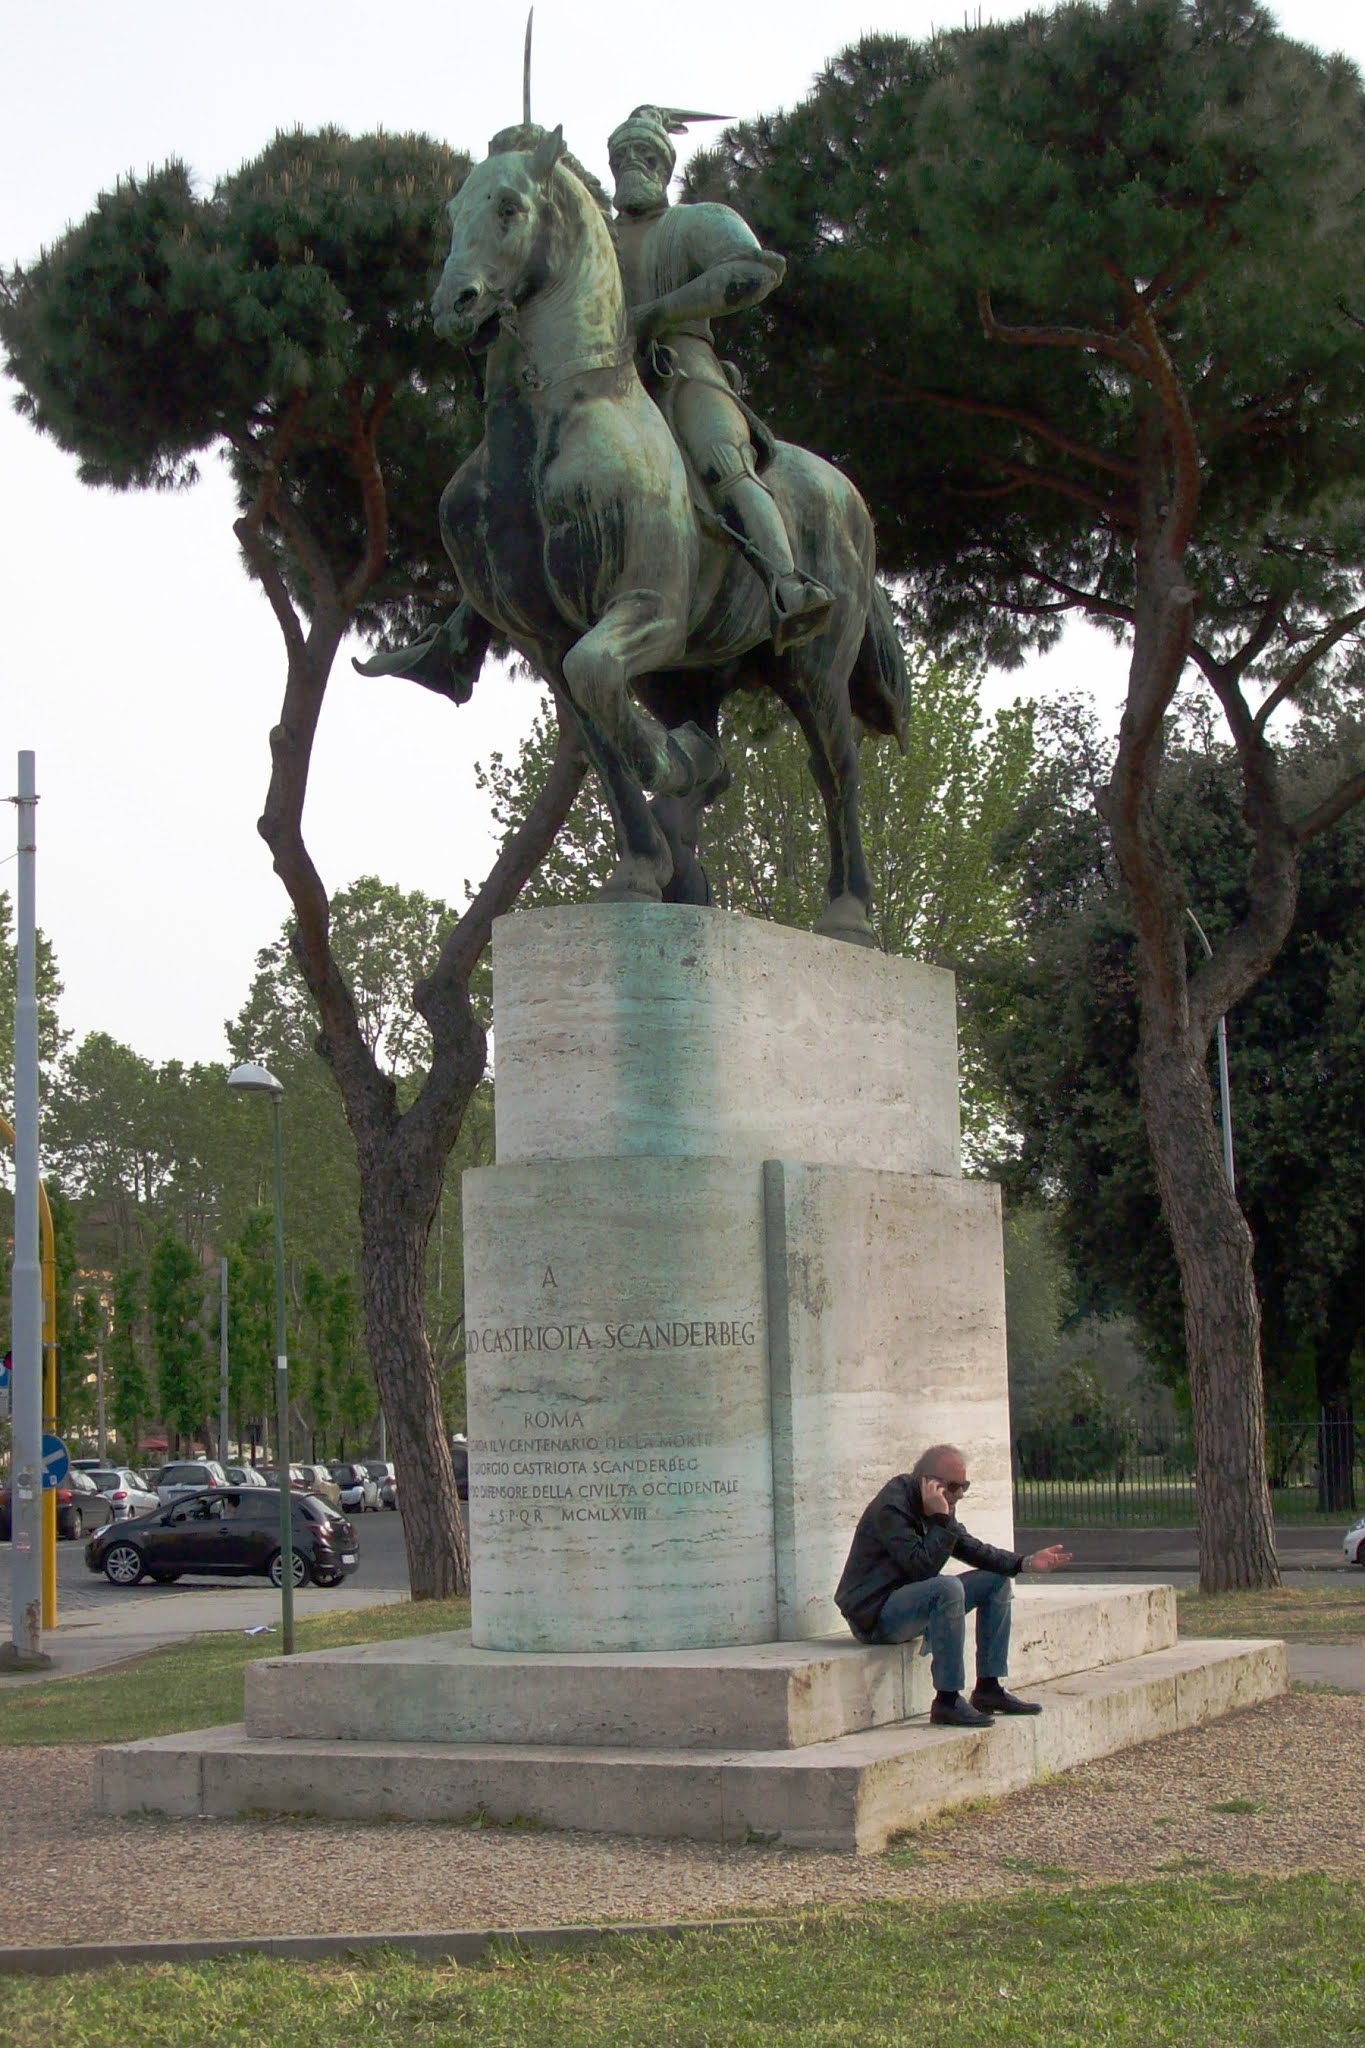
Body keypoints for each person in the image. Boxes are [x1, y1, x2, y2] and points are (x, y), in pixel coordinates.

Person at [607, 104, 834, 655]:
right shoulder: (595, 237)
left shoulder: (694, 221)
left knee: (720, 457)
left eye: (647, 154)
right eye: (623, 156)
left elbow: (751, 270)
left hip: (685, 369)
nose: (634, 163)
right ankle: (462, 633)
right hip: (605, 377)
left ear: (665, 167)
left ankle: (788, 584)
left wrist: (656, 314)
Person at [835, 1443, 1073, 1728]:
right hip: (875, 1616)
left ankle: (988, 1688)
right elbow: (921, 1568)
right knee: (947, 1588)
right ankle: (947, 1701)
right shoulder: (893, 1508)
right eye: (954, 1486)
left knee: (995, 1581)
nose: (960, 1494)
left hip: (908, 1604)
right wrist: (941, 1519)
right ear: (928, 1483)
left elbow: (971, 1547)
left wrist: (1025, 1563)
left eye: (965, 1486)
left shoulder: (938, 1509)